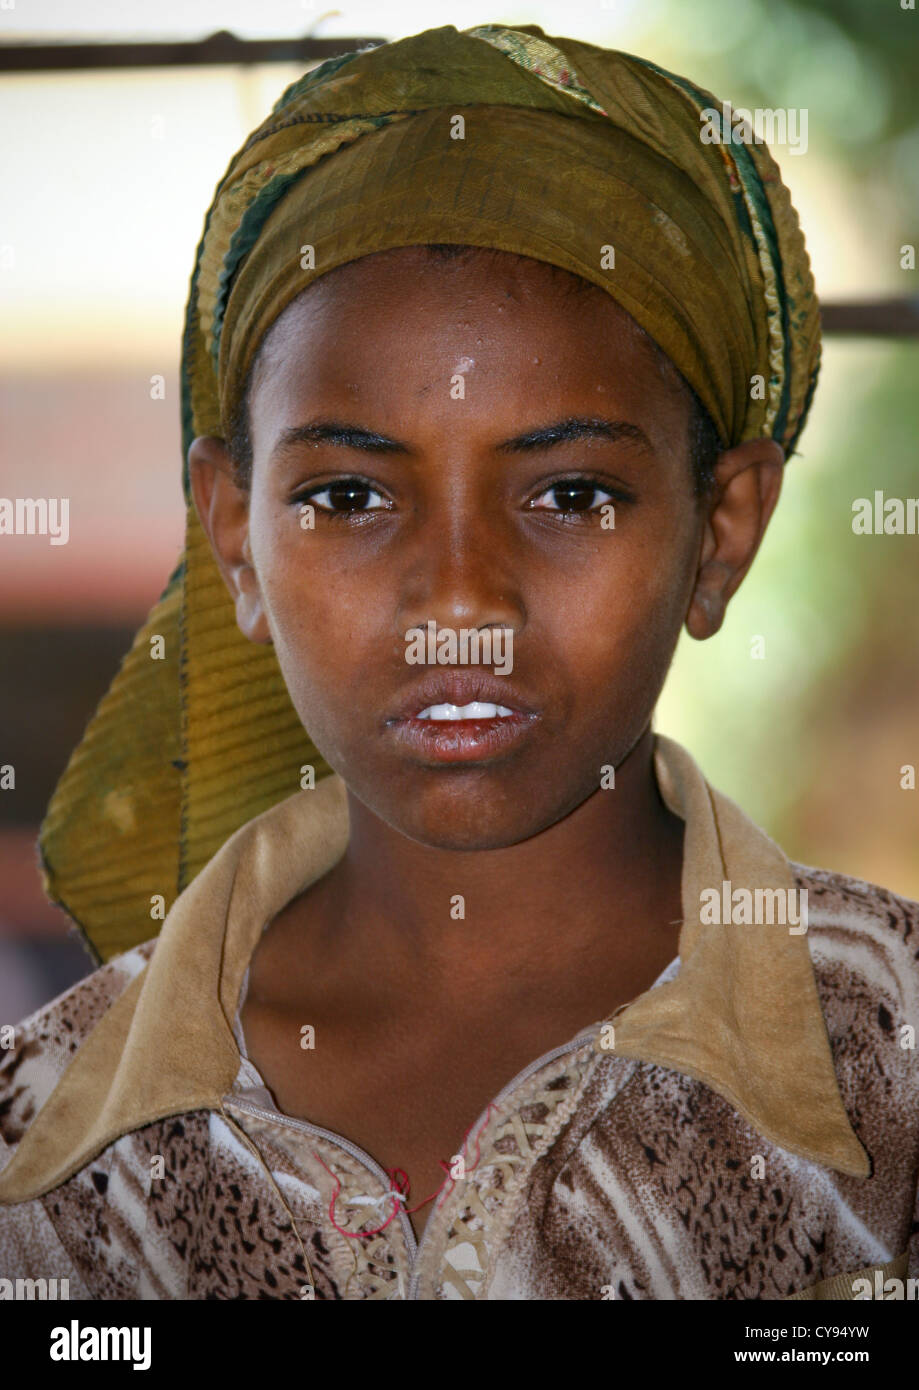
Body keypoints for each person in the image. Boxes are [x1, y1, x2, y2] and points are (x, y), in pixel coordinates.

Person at [1, 22, 917, 1302]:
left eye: (572, 493)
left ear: (721, 531)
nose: (459, 598)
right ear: (235, 535)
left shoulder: (890, 1071)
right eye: (347, 497)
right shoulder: (42, 1153)